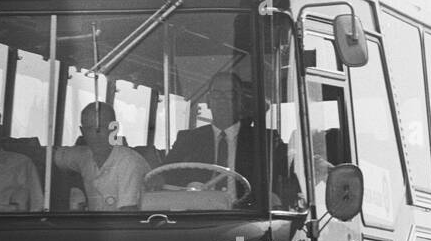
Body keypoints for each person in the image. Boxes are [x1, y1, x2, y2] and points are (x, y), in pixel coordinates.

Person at [165, 72, 296, 206]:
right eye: (216, 94)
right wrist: (189, 186)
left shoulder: (265, 141)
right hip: (198, 214)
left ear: (240, 101)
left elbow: (288, 183)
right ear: (208, 101)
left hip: (246, 219)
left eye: (230, 94)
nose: (222, 99)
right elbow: (165, 178)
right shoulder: (187, 139)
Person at [51, 102, 149, 211]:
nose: (95, 135)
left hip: (118, 226)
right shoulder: (82, 156)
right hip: (94, 225)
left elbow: (127, 217)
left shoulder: (129, 162)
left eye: (101, 127)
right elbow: (50, 156)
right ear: (82, 132)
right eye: (89, 129)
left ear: (114, 129)